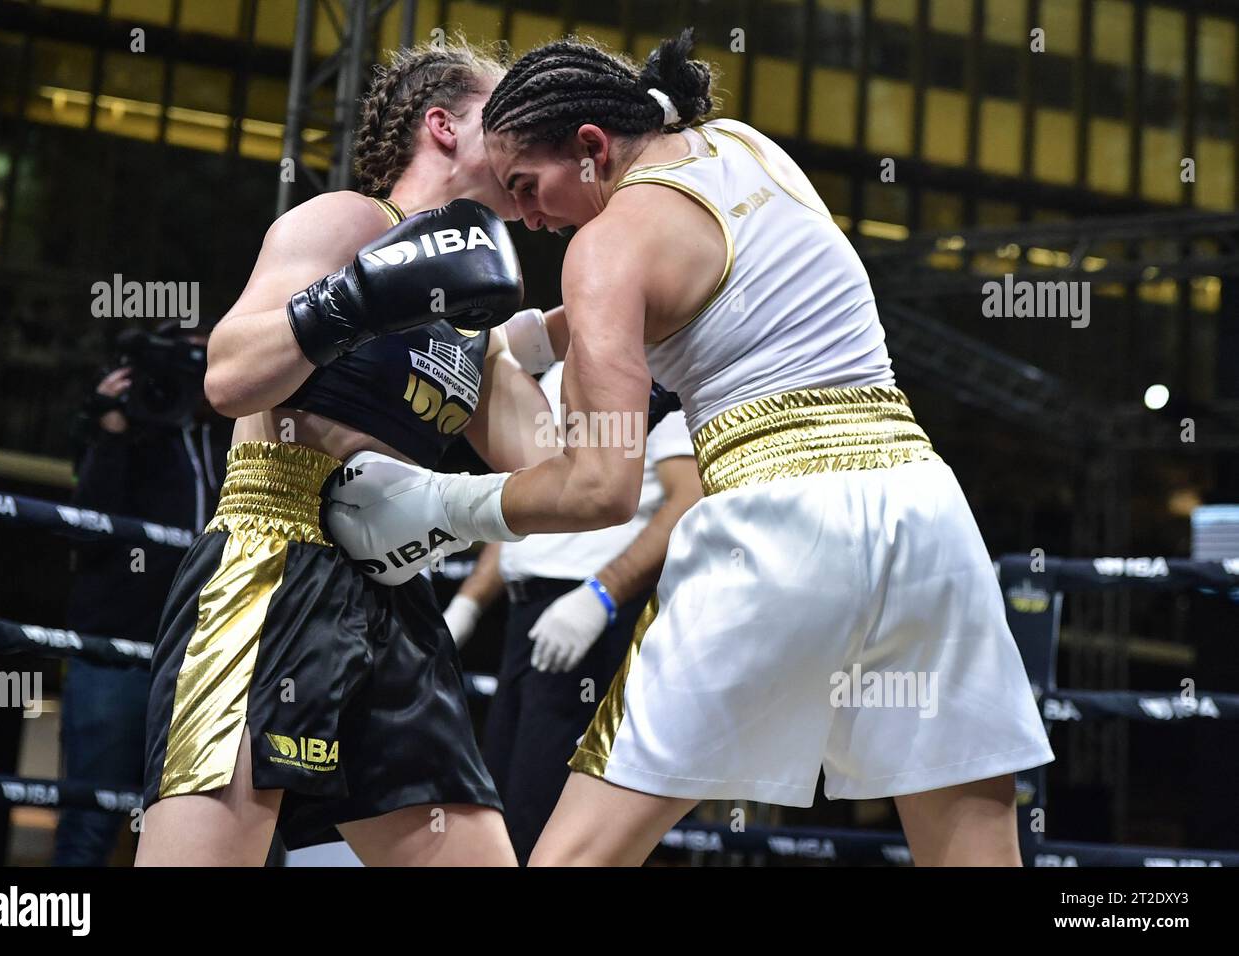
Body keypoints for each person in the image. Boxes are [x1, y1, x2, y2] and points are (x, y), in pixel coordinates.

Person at [326, 29, 1056, 867]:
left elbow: (601, 488)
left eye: (528, 186)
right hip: (925, 513)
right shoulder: (745, 146)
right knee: (974, 851)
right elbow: (699, 288)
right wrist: (521, 341)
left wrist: (434, 506)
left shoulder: (604, 251)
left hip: (779, 525)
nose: (526, 216)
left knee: (573, 859)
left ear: (592, 149)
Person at [136, 40, 558, 867]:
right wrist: (355, 298)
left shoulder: (481, 320)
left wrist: (611, 335)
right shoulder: (349, 222)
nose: (526, 141)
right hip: (273, 568)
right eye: (504, 119)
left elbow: (549, 482)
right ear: (442, 127)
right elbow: (228, 376)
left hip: (395, 601)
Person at [443, 361, 701, 862]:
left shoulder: (658, 375)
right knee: (500, 810)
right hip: (523, 619)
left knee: (551, 820)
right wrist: (466, 606)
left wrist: (600, 595)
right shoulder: (547, 377)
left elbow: (688, 500)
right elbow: (521, 510)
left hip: (596, 618)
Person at [55, 326, 231, 866]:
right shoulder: (127, 429)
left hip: (206, 660)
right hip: (118, 650)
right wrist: (112, 427)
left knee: (193, 829)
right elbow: (85, 533)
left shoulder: (235, 437)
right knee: (89, 825)